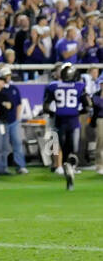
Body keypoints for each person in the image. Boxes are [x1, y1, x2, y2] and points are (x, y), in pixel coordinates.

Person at [44, 63, 86, 191]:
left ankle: (63, 168)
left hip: (60, 121)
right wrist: (79, 111)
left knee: (60, 148)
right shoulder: (79, 86)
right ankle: (70, 168)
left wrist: (53, 113)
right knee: (72, 151)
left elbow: (46, 106)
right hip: (73, 121)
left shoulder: (54, 86)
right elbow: (88, 105)